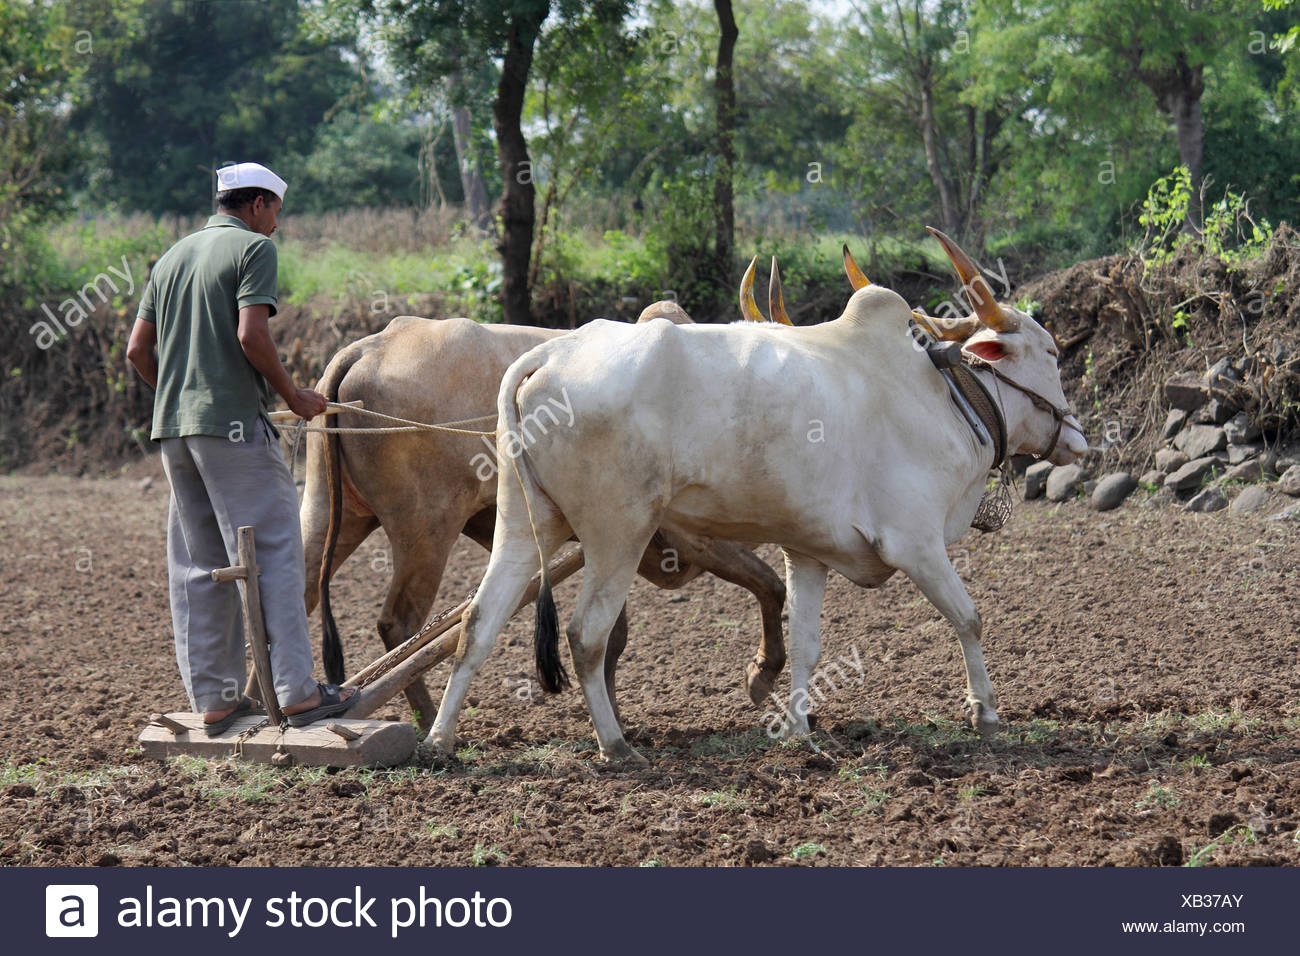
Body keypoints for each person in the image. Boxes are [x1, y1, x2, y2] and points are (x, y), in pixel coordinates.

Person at [126, 162, 360, 736]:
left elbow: (137, 350)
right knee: (277, 550)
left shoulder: (171, 258)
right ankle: (300, 695)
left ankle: (217, 701)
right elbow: (251, 334)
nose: (277, 223)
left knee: (200, 565)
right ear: (255, 205)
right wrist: (295, 395)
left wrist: (184, 398)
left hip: (175, 432)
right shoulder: (253, 251)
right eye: (275, 210)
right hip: (233, 430)